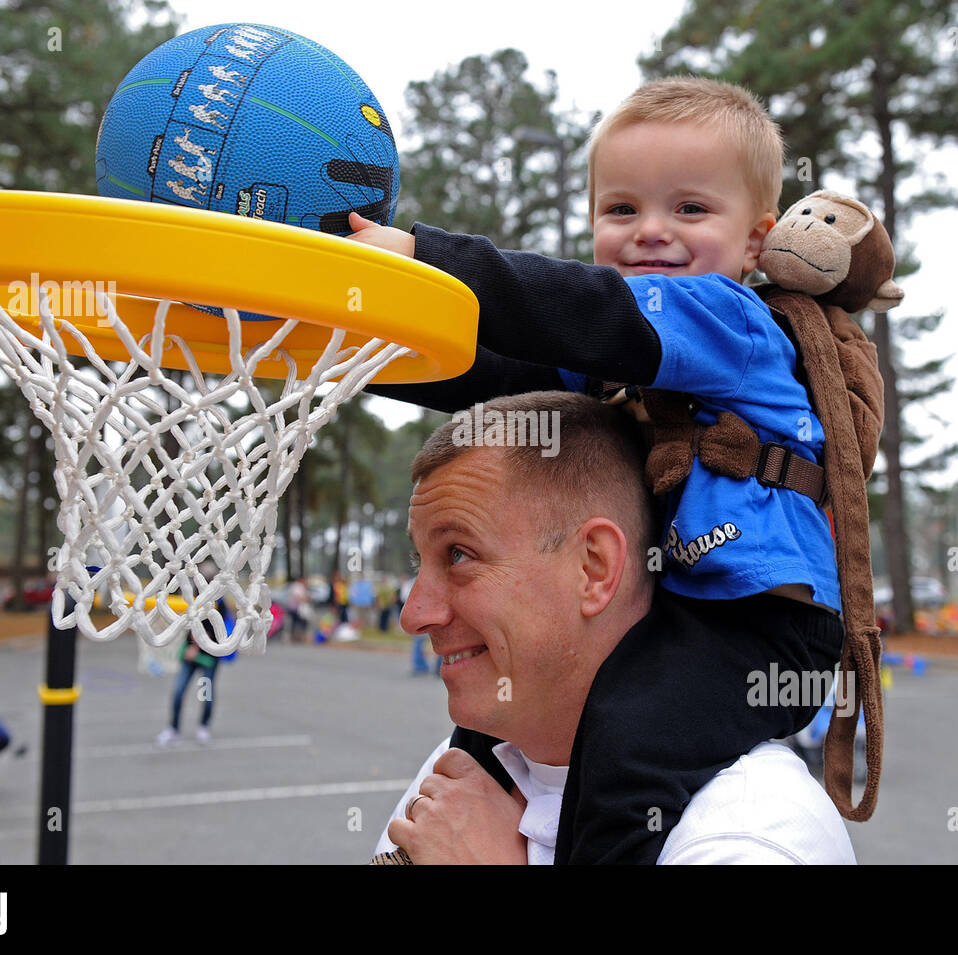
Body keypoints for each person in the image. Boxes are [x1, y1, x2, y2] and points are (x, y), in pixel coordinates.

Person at [355, 78, 854, 855]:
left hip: (761, 625)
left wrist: (427, 259)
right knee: (490, 732)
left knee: (629, 746)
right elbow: (494, 371)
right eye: (622, 209)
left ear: (755, 242)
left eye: (690, 209)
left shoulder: (734, 323)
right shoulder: (626, 364)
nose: (651, 231)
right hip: (677, 606)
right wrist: (351, 335)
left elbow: (591, 311)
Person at [373, 392, 855, 864]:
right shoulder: (463, 773)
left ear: (594, 569)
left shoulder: (753, 835)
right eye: (420, 560)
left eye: (459, 554)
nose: (414, 615)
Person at [155, 582, 230, 746]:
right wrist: (192, 646)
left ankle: (203, 726)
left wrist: (199, 644)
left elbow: (219, 630)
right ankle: (173, 729)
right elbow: (190, 623)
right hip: (190, 656)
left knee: (206, 694)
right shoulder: (193, 598)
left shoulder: (220, 604)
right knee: (178, 691)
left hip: (208, 658)